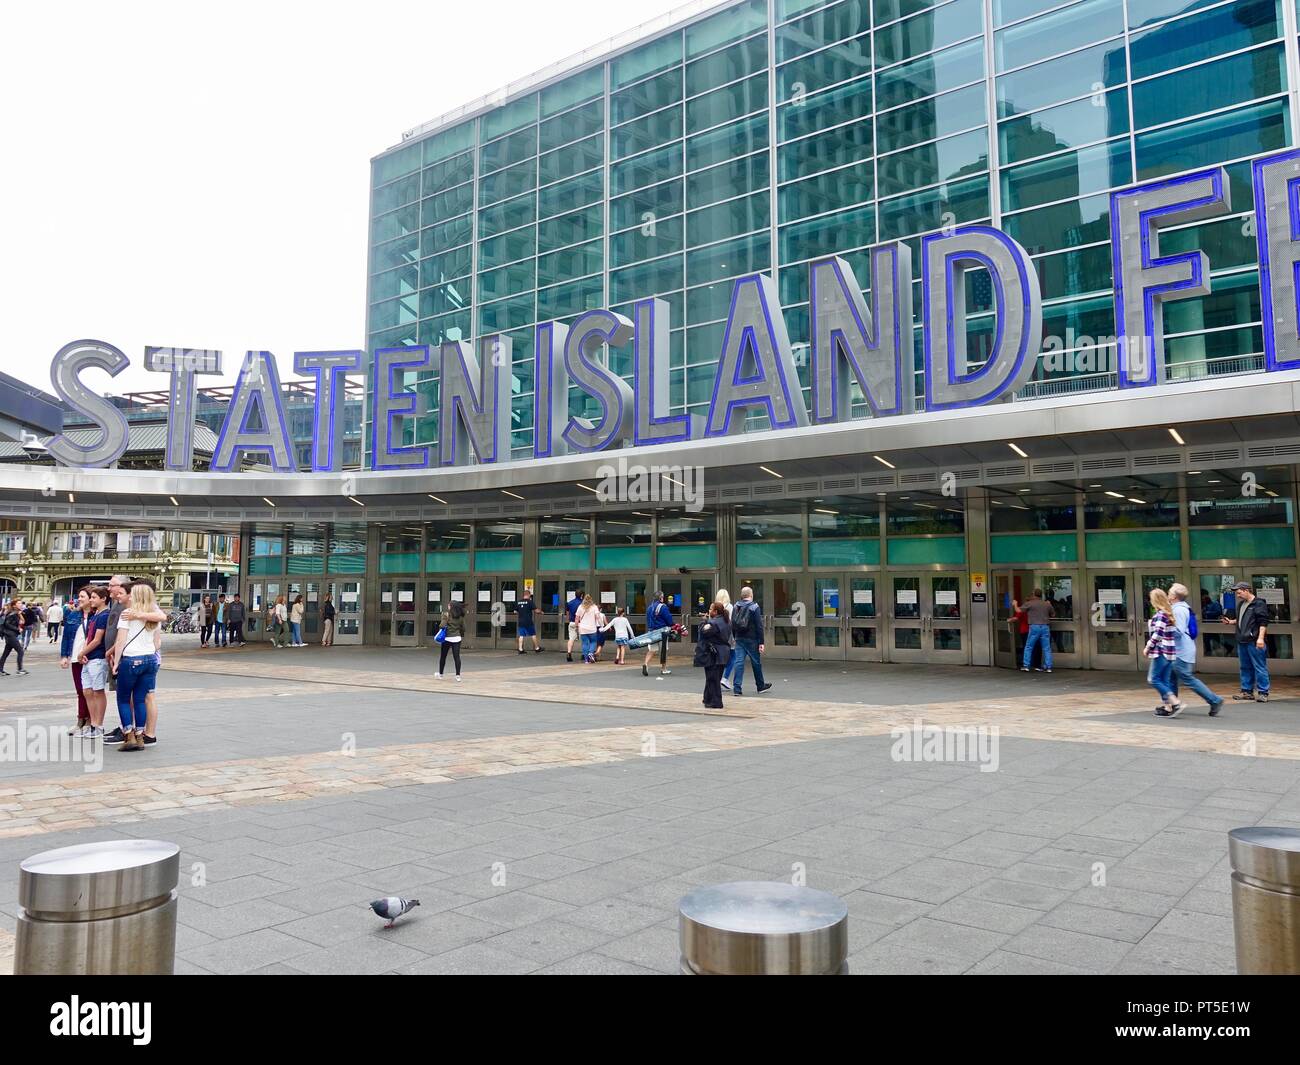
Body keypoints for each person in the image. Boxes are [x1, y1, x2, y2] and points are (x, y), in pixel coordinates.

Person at [110, 582, 162, 751]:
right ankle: (140, 735)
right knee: (140, 699)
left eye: (132, 593)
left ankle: (129, 734)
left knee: (123, 698)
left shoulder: (127, 614)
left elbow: (120, 640)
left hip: (131, 659)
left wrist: (116, 662)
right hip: (150, 660)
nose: (129, 596)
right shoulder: (154, 616)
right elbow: (157, 643)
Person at [1168, 582, 1223, 716]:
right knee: (1171, 677)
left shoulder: (1178, 610)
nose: (1167, 595)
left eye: (1169, 592)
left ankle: (1214, 700)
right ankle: (1172, 704)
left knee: (1187, 678)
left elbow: (1178, 631)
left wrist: (1163, 632)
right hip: (1181, 649)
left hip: (1180, 650)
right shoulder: (1183, 608)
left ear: (1174, 596)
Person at [1222, 581, 1271, 703]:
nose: (1238, 596)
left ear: (1246, 590)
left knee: (1259, 666)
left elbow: (1263, 622)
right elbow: (1241, 619)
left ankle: (1263, 692)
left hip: (1254, 640)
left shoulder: (1258, 604)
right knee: (1245, 667)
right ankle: (1247, 691)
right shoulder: (1241, 605)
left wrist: (1260, 638)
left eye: (1239, 593)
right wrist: (1231, 622)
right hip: (1242, 640)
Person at [60, 588, 94, 735]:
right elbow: (66, 637)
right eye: (79, 596)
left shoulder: (97, 615)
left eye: (82, 596)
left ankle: (91, 721)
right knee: (80, 691)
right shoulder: (73, 615)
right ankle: (81, 720)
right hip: (75, 658)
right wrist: (64, 656)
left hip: (91, 658)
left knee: (90, 691)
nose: (79, 599)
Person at [78, 586, 112, 731]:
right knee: (87, 691)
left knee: (98, 691)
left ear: (104, 599)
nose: (91, 600)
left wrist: (81, 653)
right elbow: (89, 637)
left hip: (98, 657)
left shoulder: (105, 615)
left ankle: (98, 724)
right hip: (89, 657)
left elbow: (97, 640)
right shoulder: (95, 614)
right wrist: (84, 653)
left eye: (93, 597)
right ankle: (92, 723)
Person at [1145, 588, 1182, 717]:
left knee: (1153, 679)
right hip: (1170, 651)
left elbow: (1158, 633)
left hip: (1161, 651)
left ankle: (1174, 701)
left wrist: (1148, 647)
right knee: (1164, 680)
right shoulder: (1168, 614)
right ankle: (1168, 707)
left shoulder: (1160, 615)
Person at [729, 586, 771, 695]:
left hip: (739, 638)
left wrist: (735, 637)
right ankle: (760, 686)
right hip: (752, 639)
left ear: (742, 595)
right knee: (756, 663)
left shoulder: (736, 606)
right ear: (751, 595)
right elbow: (759, 626)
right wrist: (761, 642)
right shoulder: (754, 607)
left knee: (739, 663)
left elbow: (733, 623)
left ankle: (737, 688)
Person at [696, 601, 733, 710]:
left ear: (716, 611)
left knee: (713, 678)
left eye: (711, 609)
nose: (709, 611)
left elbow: (703, 632)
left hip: (714, 653)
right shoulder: (726, 621)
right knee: (714, 677)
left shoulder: (714, 623)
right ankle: (707, 698)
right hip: (723, 653)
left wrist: (703, 622)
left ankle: (716, 701)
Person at [1017, 588, 1055, 673]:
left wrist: (1015, 604)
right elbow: (1053, 614)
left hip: (1034, 627)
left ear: (1034, 594)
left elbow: (1019, 610)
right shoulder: (1046, 604)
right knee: (1046, 648)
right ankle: (1048, 667)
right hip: (1045, 627)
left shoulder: (1029, 603)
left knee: (1029, 646)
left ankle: (1026, 665)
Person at [643, 590, 674, 677]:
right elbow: (669, 619)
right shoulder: (663, 607)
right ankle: (663, 669)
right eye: (663, 597)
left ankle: (645, 664)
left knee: (652, 650)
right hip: (662, 631)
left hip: (652, 631)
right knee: (664, 650)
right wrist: (672, 625)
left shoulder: (649, 608)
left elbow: (648, 620)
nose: (663, 598)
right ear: (660, 598)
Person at [715, 588, 741, 690]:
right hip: (728, 635)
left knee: (720, 658)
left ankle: (718, 679)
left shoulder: (715, 606)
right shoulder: (730, 607)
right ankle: (725, 678)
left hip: (717, 636)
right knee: (733, 657)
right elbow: (732, 622)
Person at [436, 600, 465, 680]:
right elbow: (463, 628)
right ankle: (458, 676)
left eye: (449, 605)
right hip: (457, 638)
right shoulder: (460, 617)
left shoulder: (446, 615)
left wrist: (443, 618)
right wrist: (459, 633)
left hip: (447, 638)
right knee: (457, 657)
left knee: (443, 656)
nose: (448, 606)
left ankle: (441, 674)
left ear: (451, 607)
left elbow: (442, 626)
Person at [0, 600, 28, 675]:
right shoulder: (13, 613)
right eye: (18, 603)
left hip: (10, 635)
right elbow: (7, 624)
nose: (21, 604)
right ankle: (20, 669)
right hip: (10, 635)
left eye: (21, 603)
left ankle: (0, 669)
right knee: (20, 651)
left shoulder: (16, 613)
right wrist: (17, 629)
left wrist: (20, 614)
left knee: (6, 653)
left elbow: (23, 622)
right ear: (14, 605)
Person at [576, 594, 602, 663]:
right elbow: (598, 617)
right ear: (591, 600)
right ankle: (591, 653)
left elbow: (577, 618)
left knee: (585, 643)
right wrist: (601, 625)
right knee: (593, 642)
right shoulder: (594, 607)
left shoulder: (580, 607)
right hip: (592, 628)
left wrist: (576, 626)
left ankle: (586, 660)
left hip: (583, 629)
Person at [516, 590, 541, 654]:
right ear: (529, 595)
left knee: (521, 635)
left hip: (521, 621)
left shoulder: (519, 602)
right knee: (533, 634)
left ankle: (520, 649)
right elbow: (536, 611)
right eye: (530, 595)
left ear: (524, 595)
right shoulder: (530, 602)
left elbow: (515, 611)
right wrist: (541, 611)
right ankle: (537, 648)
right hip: (528, 621)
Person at [565, 587, 584, 663]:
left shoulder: (570, 602)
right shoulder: (583, 603)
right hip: (581, 623)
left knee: (571, 639)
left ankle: (569, 653)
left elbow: (567, 613)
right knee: (583, 639)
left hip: (572, 623)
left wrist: (568, 620)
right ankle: (583, 654)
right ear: (582, 595)